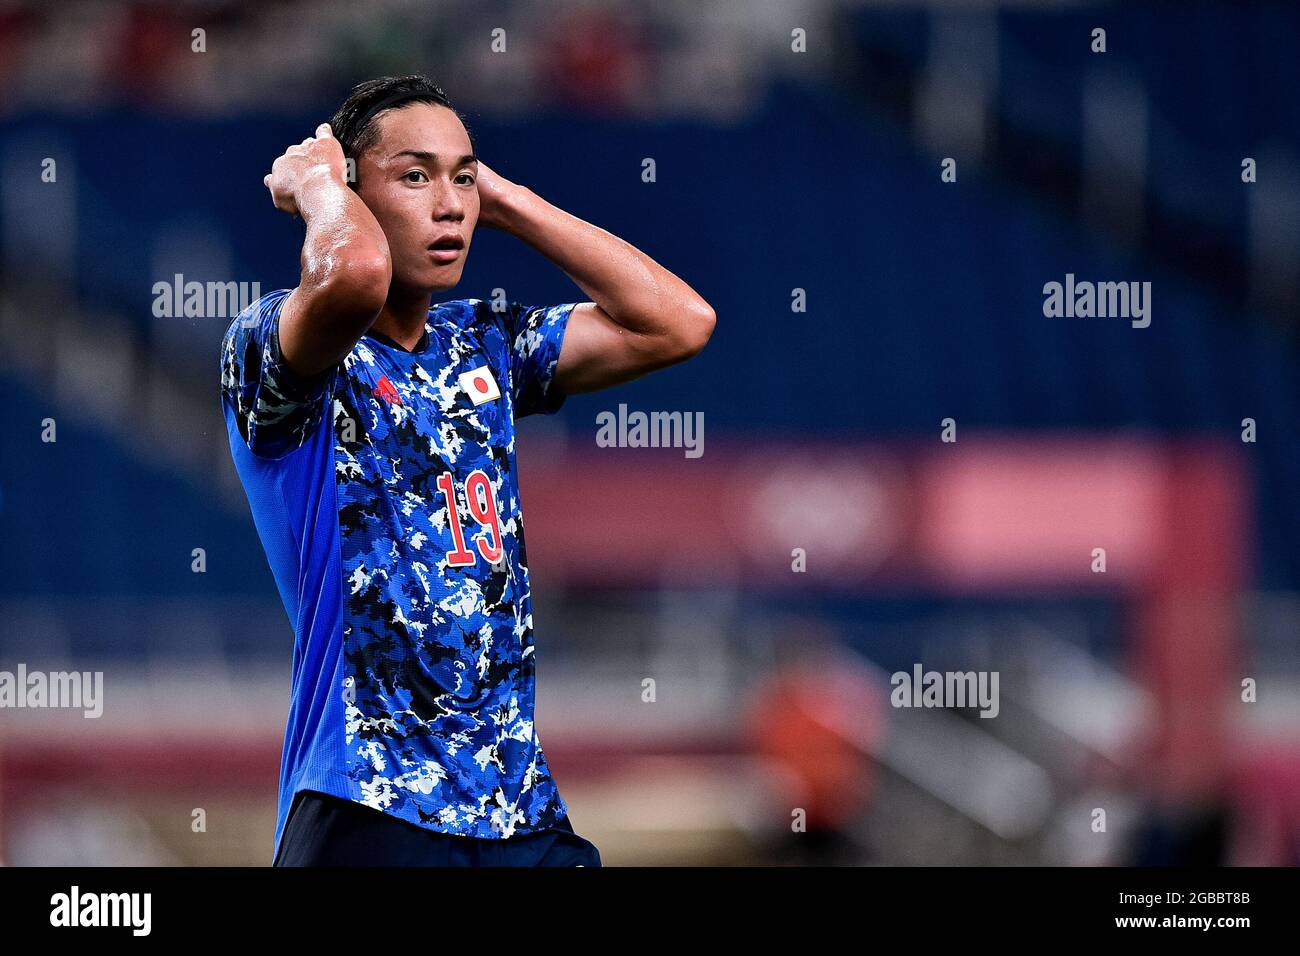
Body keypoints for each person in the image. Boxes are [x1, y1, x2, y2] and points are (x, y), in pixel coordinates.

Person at [219, 75, 714, 866]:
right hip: (369, 802)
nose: (448, 204)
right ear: (350, 188)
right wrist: (315, 187)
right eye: (415, 176)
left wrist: (507, 200)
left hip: (515, 806)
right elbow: (351, 279)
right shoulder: (276, 348)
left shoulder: (481, 343)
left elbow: (679, 323)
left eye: (462, 176)